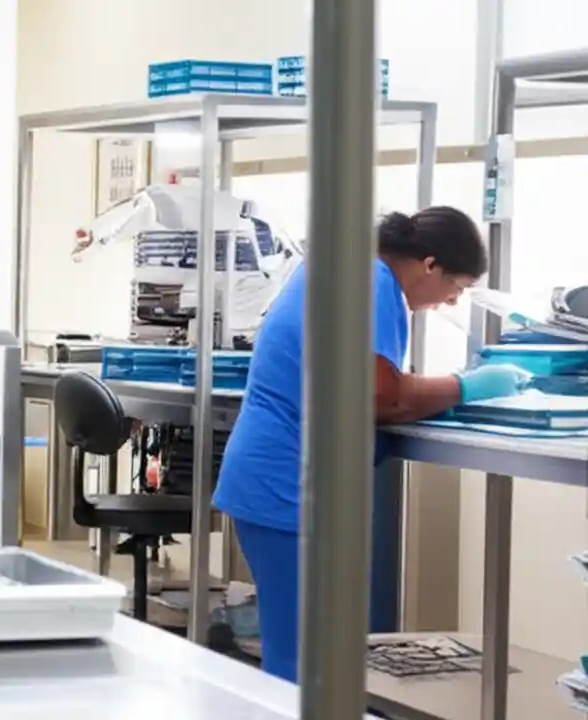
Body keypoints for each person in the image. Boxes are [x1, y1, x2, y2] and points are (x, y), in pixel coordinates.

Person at [211, 207, 530, 682]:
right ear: (428, 263)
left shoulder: (341, 268)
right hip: (288, 486)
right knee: (307, 662)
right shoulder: (373, 281)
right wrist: (467, 386)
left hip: (272, 479)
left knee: (300, 653)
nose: (449, 302)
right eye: (456, 288)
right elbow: (382, 396)